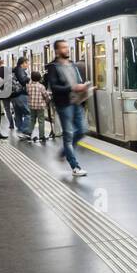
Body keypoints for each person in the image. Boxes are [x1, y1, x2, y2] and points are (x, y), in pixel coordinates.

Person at [44, 39, 91, 177]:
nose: (67, 49)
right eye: (63, 48)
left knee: (82, 130)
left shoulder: (72, 64)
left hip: (76, 101)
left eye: (67, 47)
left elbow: (78, 80)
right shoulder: (53, 67)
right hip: (64, 104)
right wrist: (72, 87)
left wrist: (84, 87)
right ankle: (75, 166)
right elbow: (54, 87)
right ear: (57, 51)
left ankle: (64, 152)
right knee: (68, 134)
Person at [26, 70, 51, 144]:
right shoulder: (41, 86)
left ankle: (29, 133)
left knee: (32, 120)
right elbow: (46, 96)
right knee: (41, 121)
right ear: (40, 78)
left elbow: (28, 93)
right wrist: (48, 100)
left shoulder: (28, 86)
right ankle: (41, 135)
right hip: (40, 106)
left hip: (31, 105)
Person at [10, 57, 32, 135]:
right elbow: (23, 81)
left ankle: (19, 129)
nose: (28, 65)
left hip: (13, 95)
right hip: (20, 94)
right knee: (28, 113)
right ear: (23, 63)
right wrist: (28, 78)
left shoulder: (13, 70)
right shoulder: (20, 70)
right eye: (27, 63)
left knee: (18, 113)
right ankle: (25, 130)